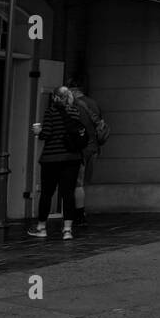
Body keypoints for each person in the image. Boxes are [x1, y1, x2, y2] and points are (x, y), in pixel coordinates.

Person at [27, 87, 91, 240]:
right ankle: (67, 230)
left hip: (52, 158)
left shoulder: (51, 112)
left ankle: (41, 227)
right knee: (68, 193)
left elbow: (47, 133)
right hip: (72, 158)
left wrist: (38, 132)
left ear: (55, 97)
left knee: (47, 193)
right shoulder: (75, 111)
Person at [67, 80, 104, 228]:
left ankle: (78, 215)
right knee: (83, 183)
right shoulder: (93, 103)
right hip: (94, 148)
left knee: (77, 183)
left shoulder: (75, 104)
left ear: (73, 91)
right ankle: (80, 213)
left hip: (81, 148)